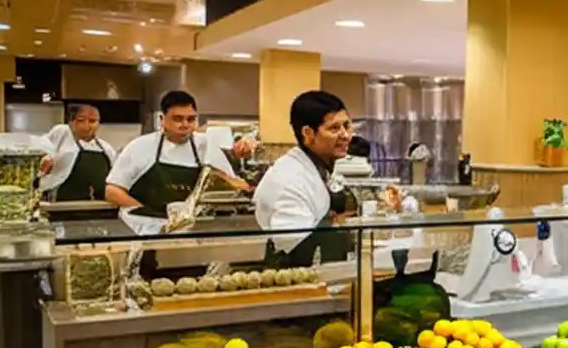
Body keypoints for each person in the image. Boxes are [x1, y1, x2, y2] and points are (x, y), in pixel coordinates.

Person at [105, 90, 248, 217]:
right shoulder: (140, 146)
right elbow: (112, 191)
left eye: (190, 119)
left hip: (190, 230)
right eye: (178, 119)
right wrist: (145, 214)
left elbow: (232, 186)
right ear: (162, 119)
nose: (185, 124)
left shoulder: (206, 146)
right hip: (144, 229)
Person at [253, 90, 355, 267]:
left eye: (347, 126)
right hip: (292, 278)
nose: (345, 135)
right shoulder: (290, 180)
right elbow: (295, 248)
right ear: (308, 134)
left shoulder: (317, 167)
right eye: (334, 128)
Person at [39, 104, 117, 201]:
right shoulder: (62, 133)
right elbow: (39, 147)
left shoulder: (107, 148)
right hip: (62, 205)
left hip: (99, 206)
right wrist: (46, 157)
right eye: (81, 120)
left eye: (92, 121)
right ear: (71, 122)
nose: (86, 125)